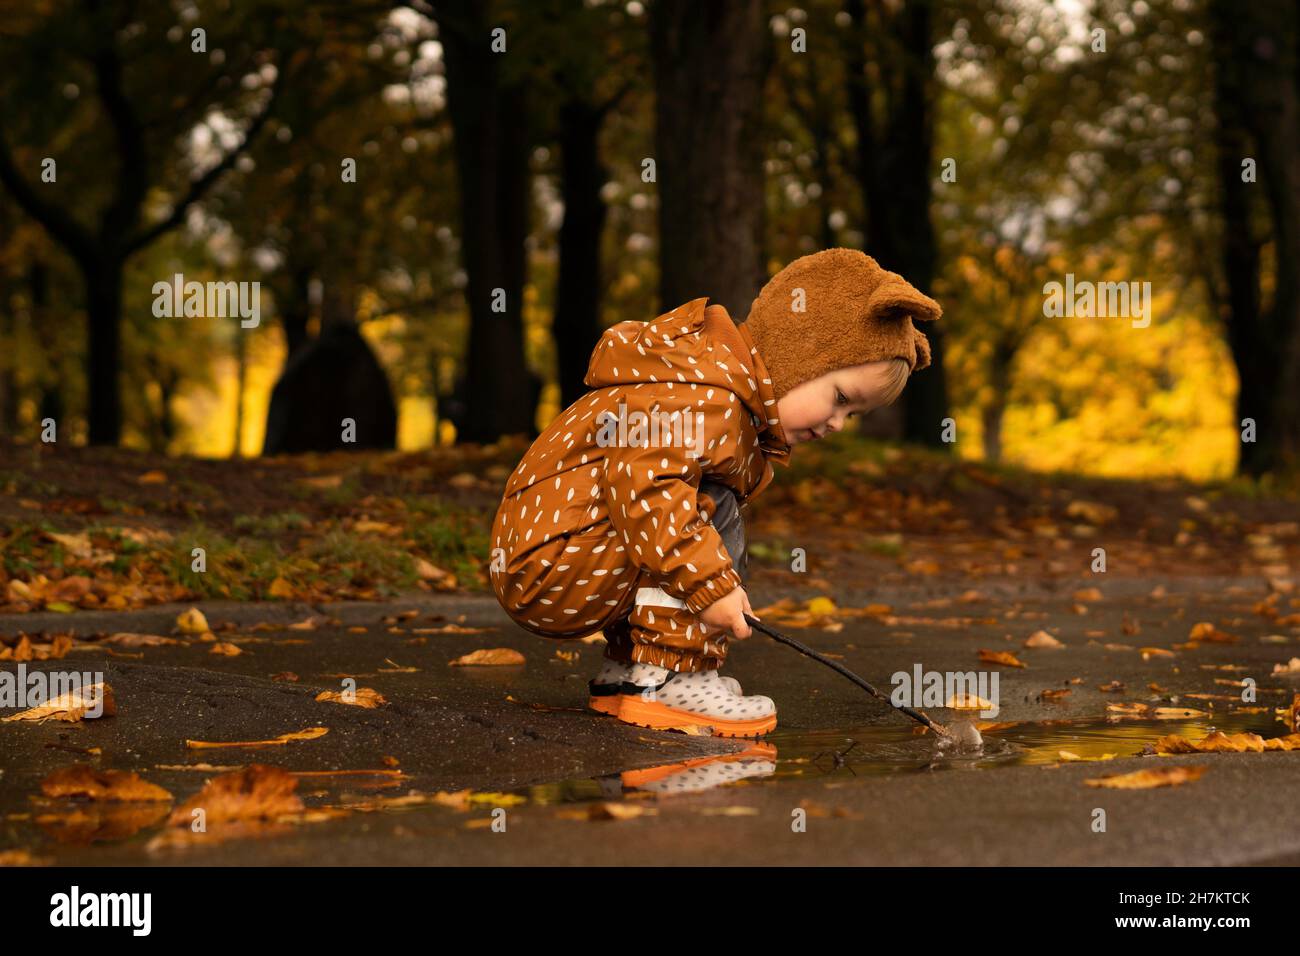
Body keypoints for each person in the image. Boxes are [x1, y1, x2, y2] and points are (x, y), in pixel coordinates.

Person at [489, 248, 941, 737]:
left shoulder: (711, 389)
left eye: (852, 416)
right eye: (840, 398)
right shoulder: (711, 400)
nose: (836, 423)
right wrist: (710, 588)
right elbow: (648, 491)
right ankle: (676, 677)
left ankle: (632, 674)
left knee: (698, 509)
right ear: (798, 356)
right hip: (555, 565)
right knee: (702, 508)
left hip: (555, 555)